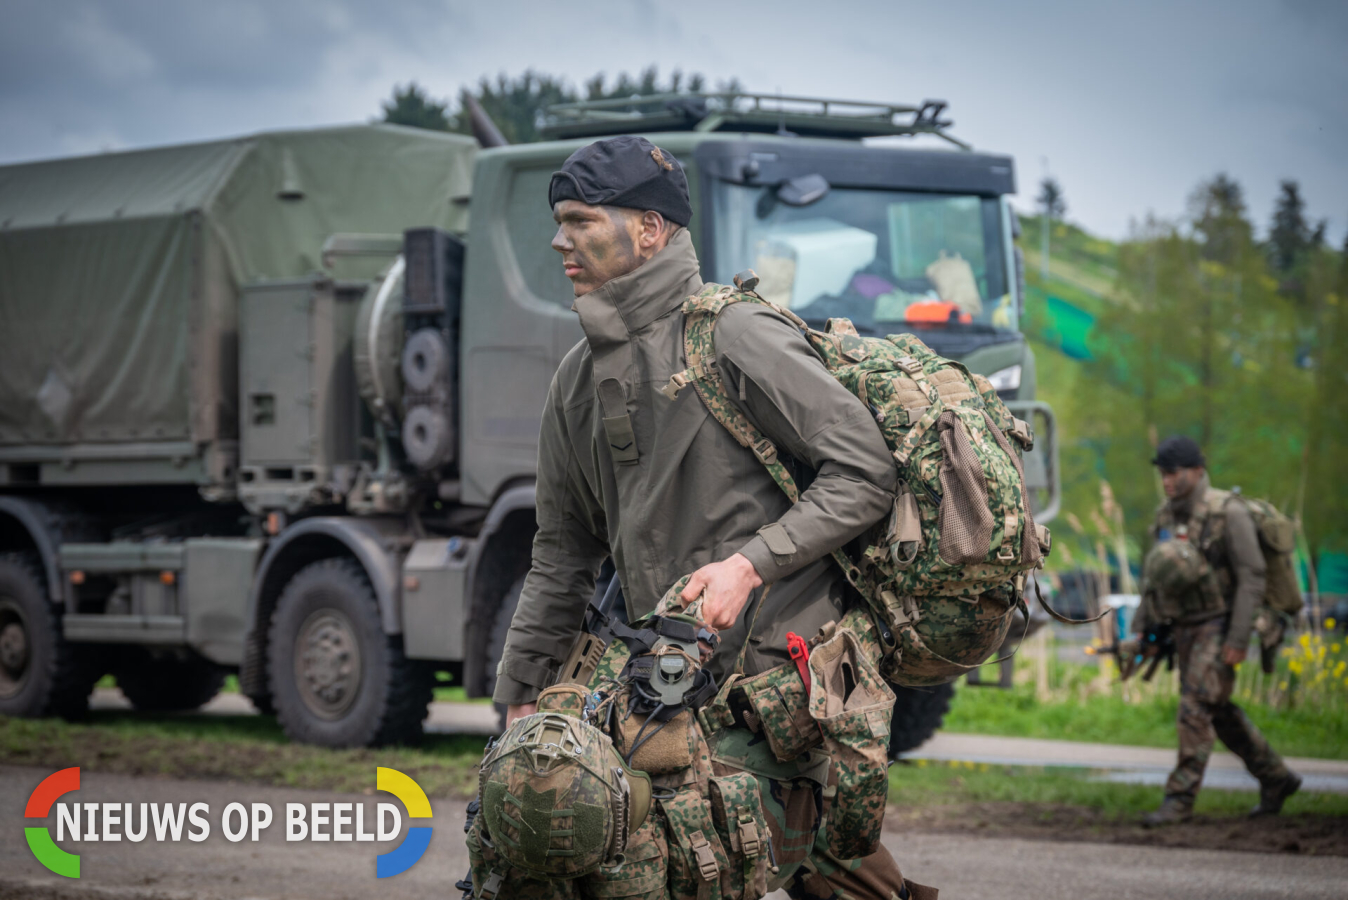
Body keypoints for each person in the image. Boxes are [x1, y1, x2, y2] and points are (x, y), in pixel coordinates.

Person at [493, 135, 932, 898]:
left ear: (650, 230)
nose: (561, 239)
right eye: (559, 221)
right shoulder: (575, 381)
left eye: (580, 219)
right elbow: (562, 552)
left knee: (660, 865)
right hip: (663, 690)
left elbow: (865, 472)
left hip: (779, 691)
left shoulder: (735, 335)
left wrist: (749, 565)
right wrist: (523, 692)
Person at [1137, 436, 1301, 827]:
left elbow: (1253, 578)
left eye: (1173, 473)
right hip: (1185, 627)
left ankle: (1179, 800)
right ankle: (1277, 779)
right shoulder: (1166, 516)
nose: (1167, 481)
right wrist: (1142, 630)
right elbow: (1154, 582)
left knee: (1195, 709)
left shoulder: (1230, 513)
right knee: (1217, 710)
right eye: (1163, 474)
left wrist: (1238, 639)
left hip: (1220, 625)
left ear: (1197, 470)